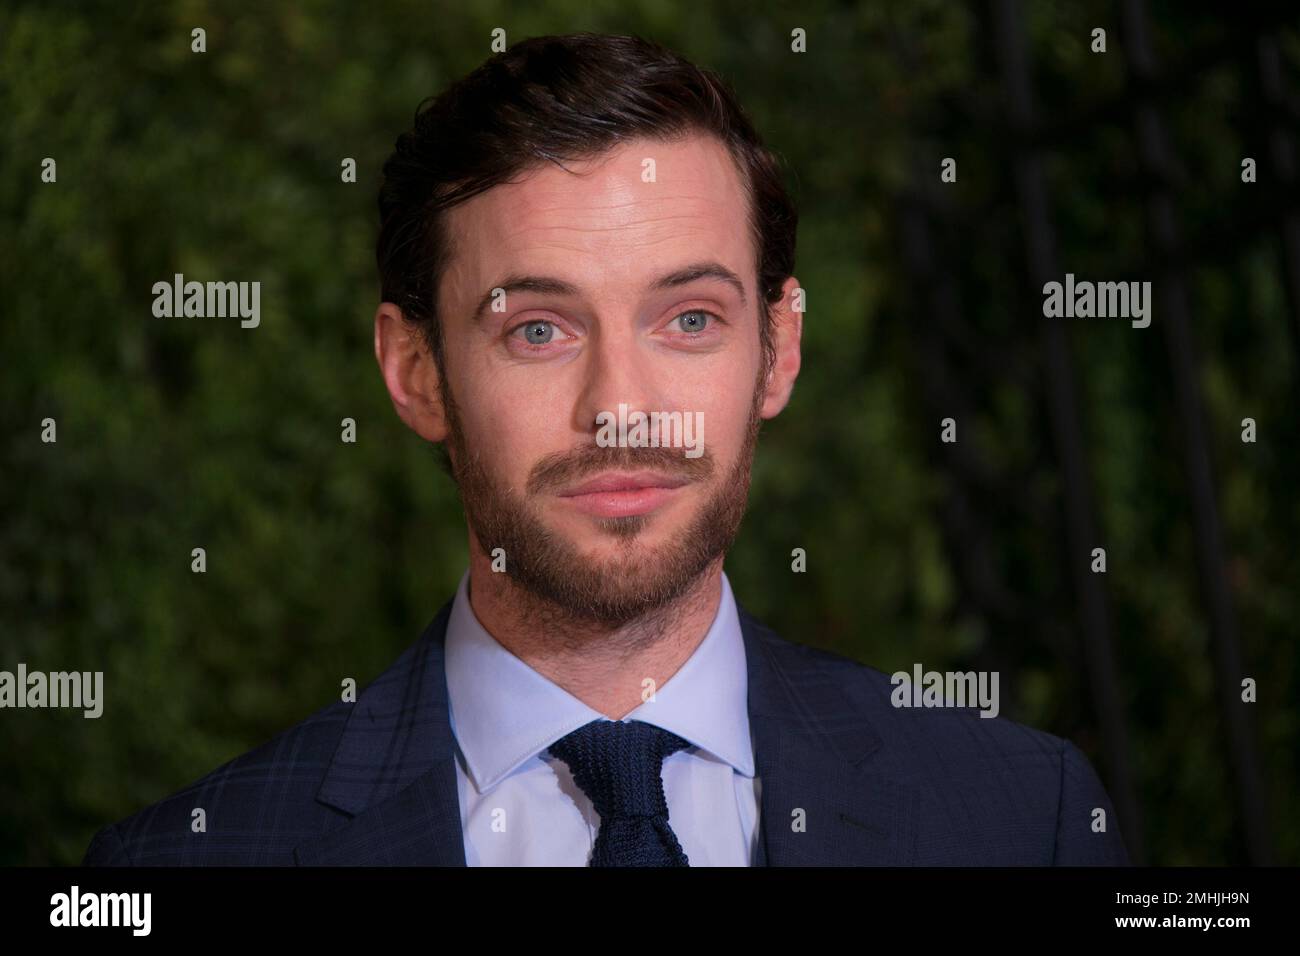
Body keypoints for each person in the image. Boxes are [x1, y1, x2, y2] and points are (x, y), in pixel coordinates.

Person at [83, 32, 1128, 867]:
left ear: (779, 351)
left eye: (687, 320)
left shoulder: (1021, 818)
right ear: (415, 373)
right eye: (538, 329)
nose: (621, 408)